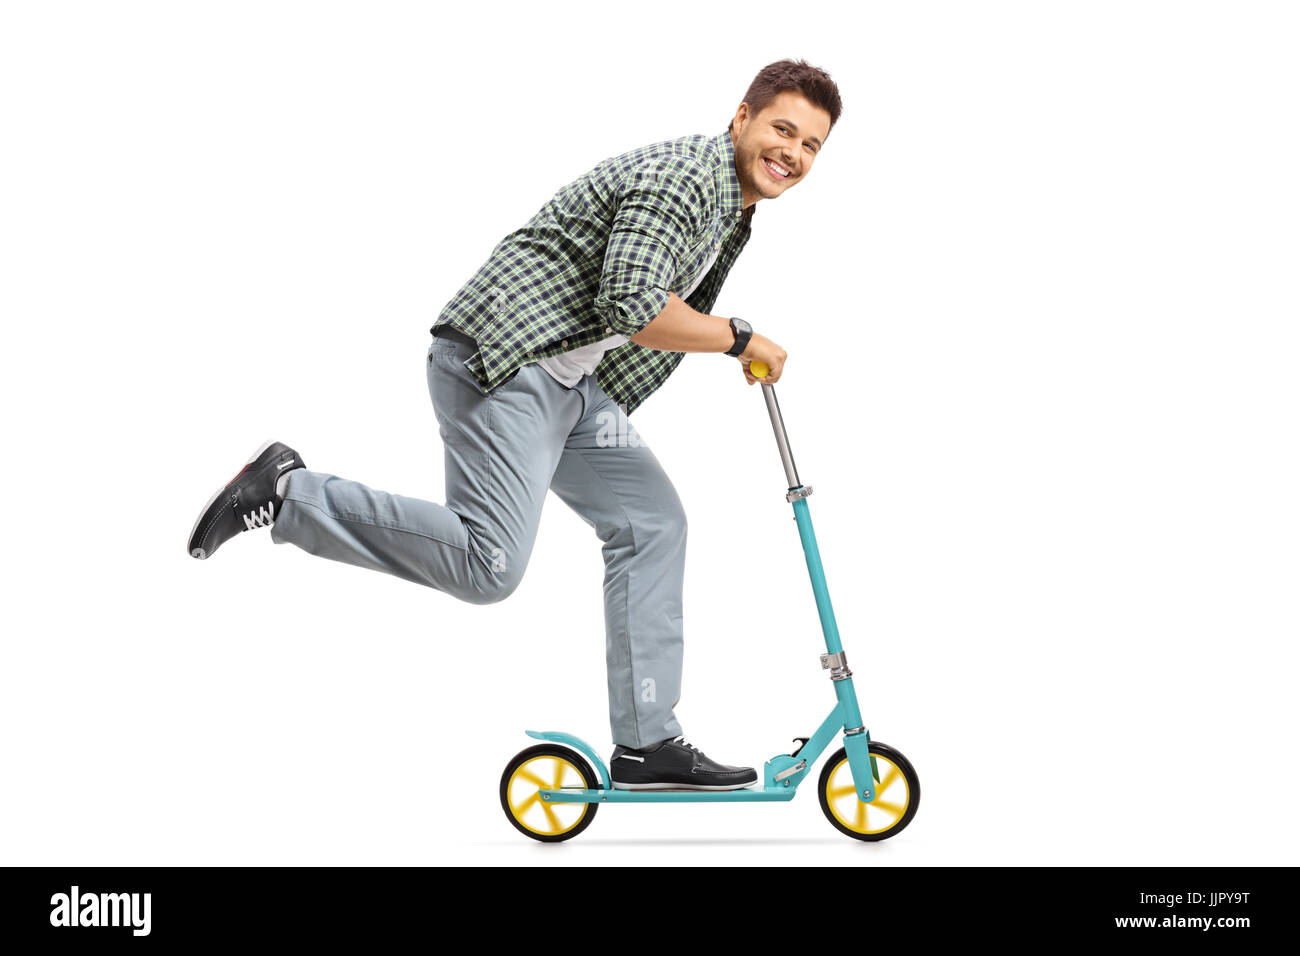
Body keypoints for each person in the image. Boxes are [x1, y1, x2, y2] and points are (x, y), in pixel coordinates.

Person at [187, 58, 841, 791]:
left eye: (812, 145)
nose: (794, 153)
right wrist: (739, 337)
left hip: (567, 383)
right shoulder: (685, 180)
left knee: (654, 523)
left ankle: (647, 743)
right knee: (488, 567)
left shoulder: (730, 210)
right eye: (784, 129)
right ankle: (291, 492)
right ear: (742, 117)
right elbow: (634, 304)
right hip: (503, 361)